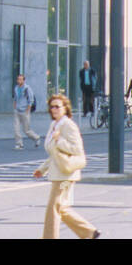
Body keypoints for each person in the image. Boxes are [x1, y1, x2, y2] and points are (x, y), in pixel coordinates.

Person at [32, 94, 98, 239]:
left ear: (65, 108)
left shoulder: (68, 125)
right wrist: (42, 169)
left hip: (66, 175)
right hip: (58, 173)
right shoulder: (54, 124)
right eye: (52, 106)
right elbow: (54, 153)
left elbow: (77, 149)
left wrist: (59, 140)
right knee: (60, 207)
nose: (54, 109)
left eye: (57, 106)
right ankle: (89, 232)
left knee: (53, 207)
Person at [12, 74, 41, 150]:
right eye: (18, 79)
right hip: (17, 111)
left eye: (21, 79)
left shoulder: (27, 89)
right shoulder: (16, 88)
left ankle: (36, 138)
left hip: (24, 111)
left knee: (26, 130)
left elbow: (30, 100)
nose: (19, 81)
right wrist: (15, 106)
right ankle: (19, 144)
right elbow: (15, 98)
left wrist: (27, 110)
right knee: (16, 128)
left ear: (24, 80)